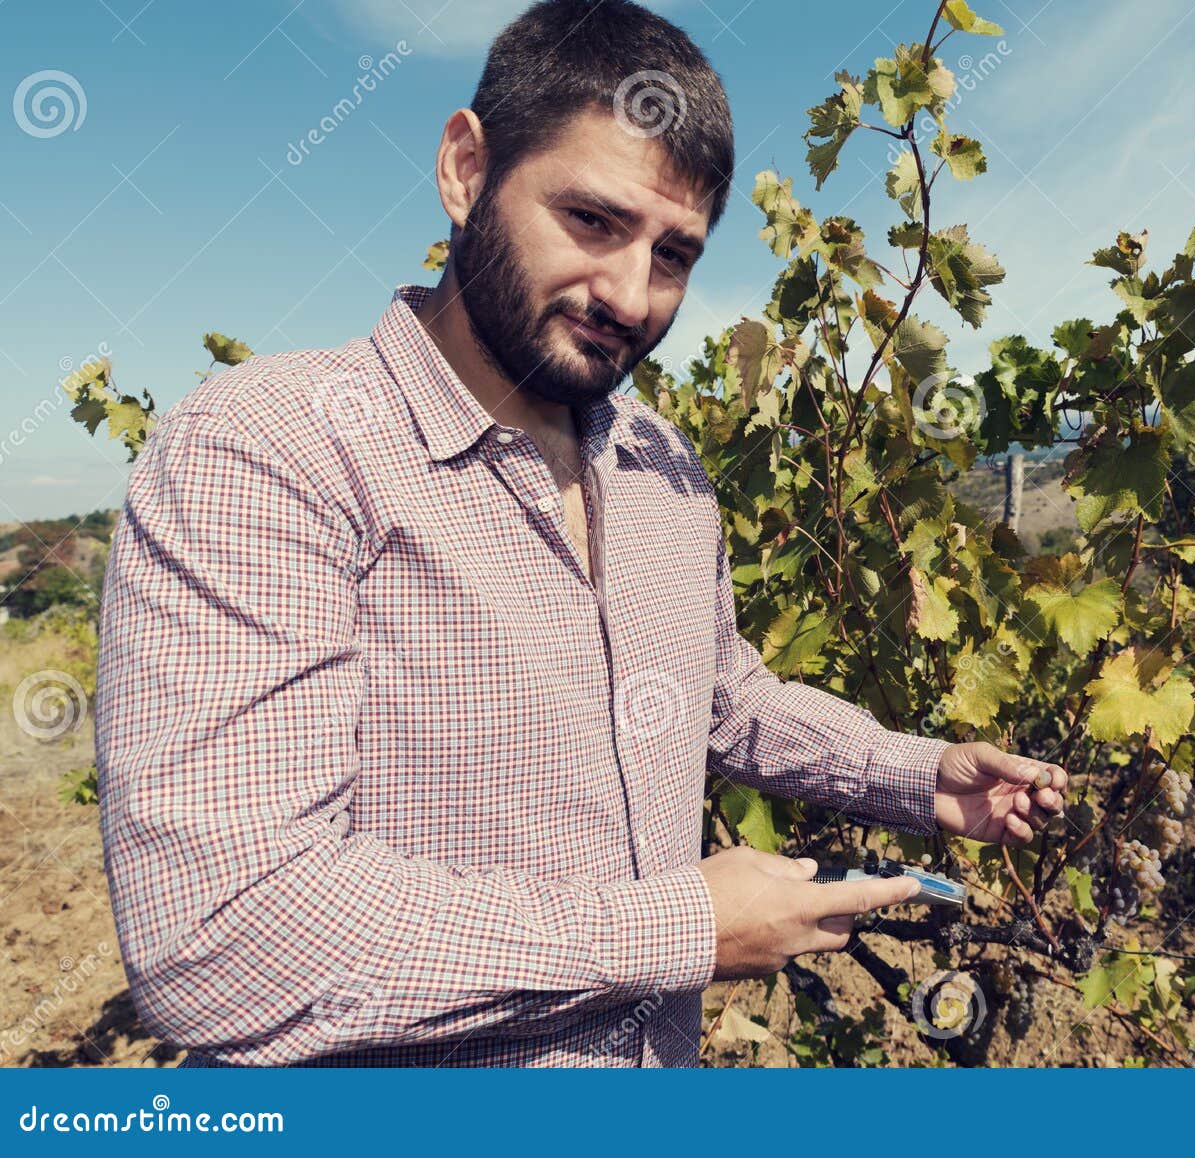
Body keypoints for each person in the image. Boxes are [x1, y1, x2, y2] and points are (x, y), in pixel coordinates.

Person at [93, 0, 1066, 1068]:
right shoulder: (270, 450)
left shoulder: (662, 468)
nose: (629, 295)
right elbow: (226, 939)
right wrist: (682, 928)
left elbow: (720, 697)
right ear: (466, 168)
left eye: (674, 256)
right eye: (593, 222)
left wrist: (911, 775)